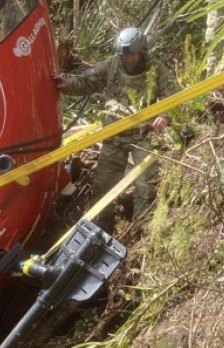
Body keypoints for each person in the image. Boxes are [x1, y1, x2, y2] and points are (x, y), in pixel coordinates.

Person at [56, 26, 180, 232]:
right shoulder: (112, 65)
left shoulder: (155, 69)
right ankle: (101, 229)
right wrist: (66, 84)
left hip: (144, 136)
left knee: (146, 185)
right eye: (122, 54)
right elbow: (87, 82)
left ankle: (141, 229)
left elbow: (174, 95)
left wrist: (164, 116)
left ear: (141, 51)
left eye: (130, 55)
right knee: (103, 186)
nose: (126, 59)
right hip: (114, 135)